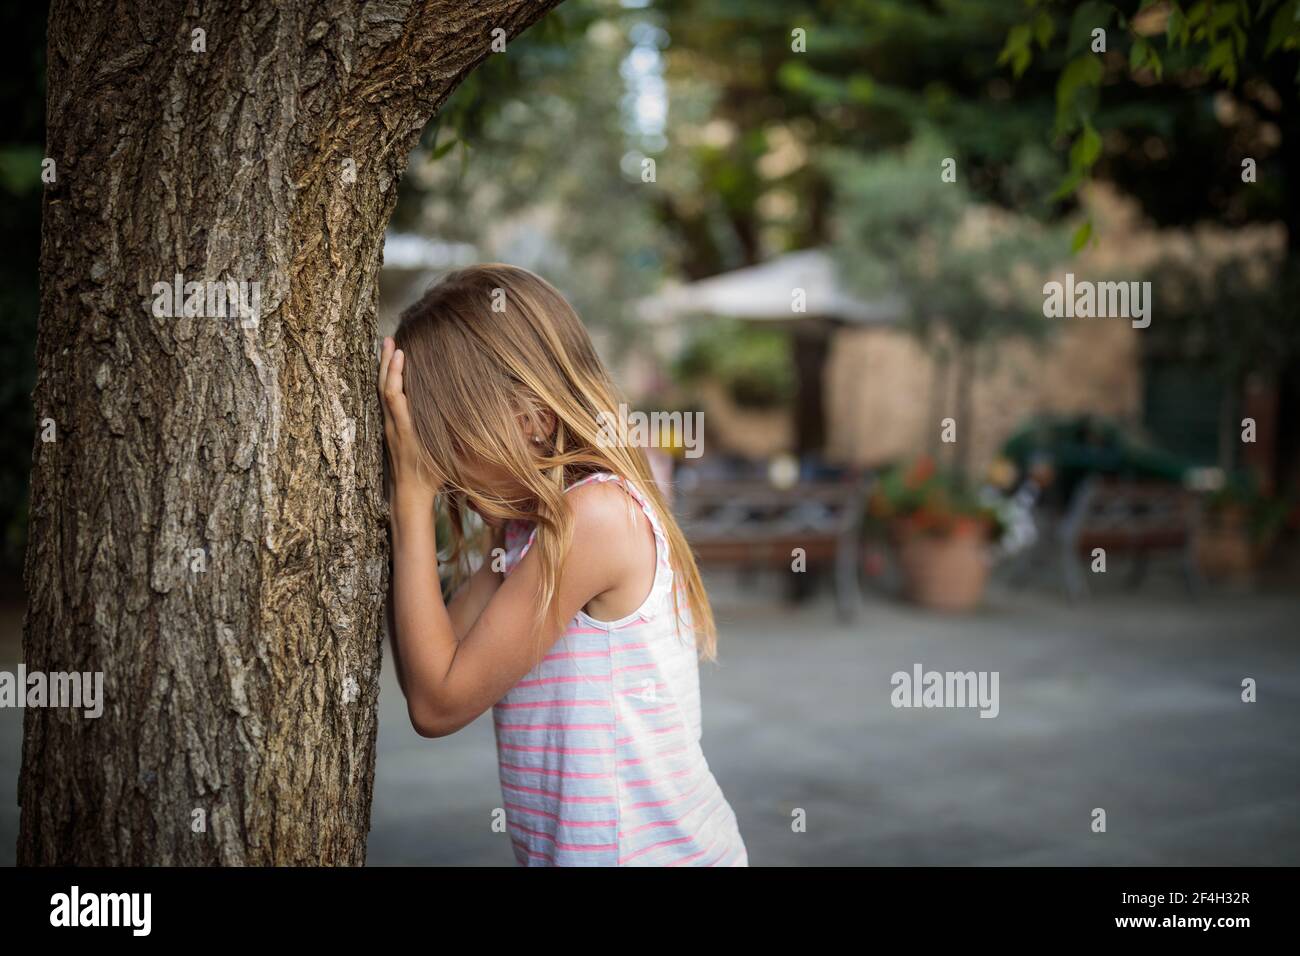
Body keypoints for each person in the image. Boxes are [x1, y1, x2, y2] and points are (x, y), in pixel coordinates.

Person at [379, 263, 747, 867]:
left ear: (534, 420)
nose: (436, 467)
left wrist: (411, 507)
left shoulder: (596, 518)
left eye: (447, 441)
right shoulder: (531, 530)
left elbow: (436, 704)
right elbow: (435, 658)